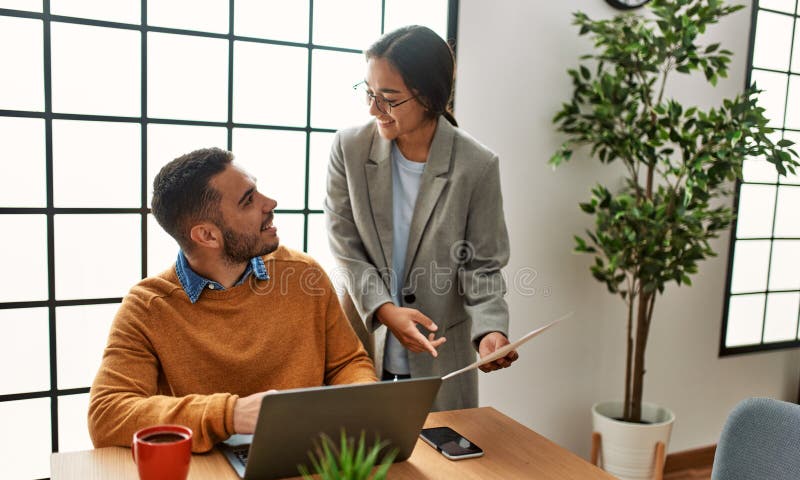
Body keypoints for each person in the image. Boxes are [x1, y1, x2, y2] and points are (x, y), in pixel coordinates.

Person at [88, 148, 377, 452]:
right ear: (207, 236)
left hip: (305, 463)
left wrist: (364, 404)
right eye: (248, 200)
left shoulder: (304, 274)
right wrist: (231, 415)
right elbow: (108, 414)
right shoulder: (147, 308)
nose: (270, 203)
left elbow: (347, 363)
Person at [324, 25, 517, 411]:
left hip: (442, 360)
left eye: (389, 98)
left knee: (444, 467)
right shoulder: (348, 148)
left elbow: (482, 264)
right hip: (361, 347)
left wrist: (491, 330)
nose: (373, 109)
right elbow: (345, 246)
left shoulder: (476, 165)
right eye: (369, 93)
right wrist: (386, 311)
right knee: (361, 465)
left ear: (429, 97)